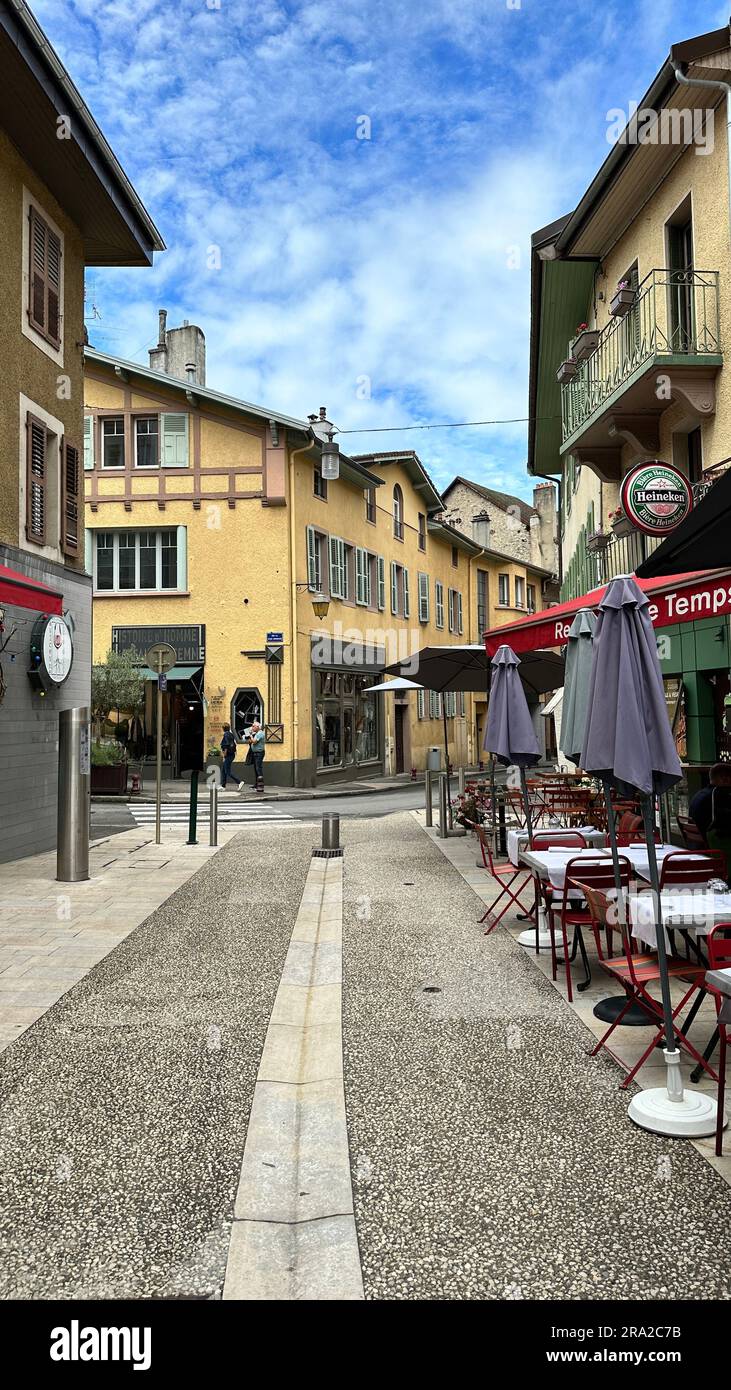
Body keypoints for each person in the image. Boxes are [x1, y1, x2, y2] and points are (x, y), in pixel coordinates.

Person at [689, 763, 731, 854]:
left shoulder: (701, 793)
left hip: (697, 846)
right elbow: (724, 820)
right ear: (724, 779)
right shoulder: (718, 793)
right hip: (714, 847)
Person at [220, 723, 243, 791]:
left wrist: (225, 754)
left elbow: (226, 745)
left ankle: (239, 782)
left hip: (228, 755)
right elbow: (233, 744)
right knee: (223, 771)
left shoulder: (226, 734)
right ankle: (223, 786)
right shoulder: (231, 734)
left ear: (223, 728)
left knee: (227, 772)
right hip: (232, 754)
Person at [246, 720, 266, 791]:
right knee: (256, 769)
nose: (252, 727)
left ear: (258, 727)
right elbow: (252, 741)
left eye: (253, 726)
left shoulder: (260, 733)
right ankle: (256, 784)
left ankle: (260, 786)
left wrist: (251, 735)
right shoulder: (257, 733)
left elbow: (254, 742)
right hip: (255, 753)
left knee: (258, 768)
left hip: (259, 753)